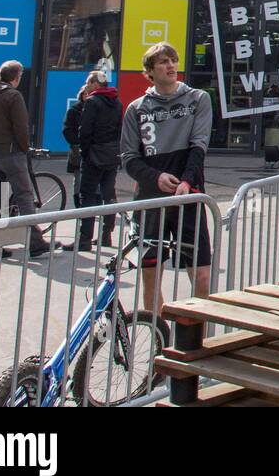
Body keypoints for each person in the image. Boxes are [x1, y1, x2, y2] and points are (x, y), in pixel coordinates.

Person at [119, 43, 214, 313]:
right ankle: (156, 343)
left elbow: (199, 145)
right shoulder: (136, 108)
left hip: (189, 197)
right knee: (151, 279)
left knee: (202, 277)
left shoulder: (198, 99)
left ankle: (195, 342)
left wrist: (186, 181)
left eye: (173, 60)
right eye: (163, 62)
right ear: (149, 71)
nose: (171, 66)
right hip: (150, 202)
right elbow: (128, 157)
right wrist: (155, 177)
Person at [0, 61, 49, 260]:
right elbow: (21, 127)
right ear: (16, 77)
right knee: (24, 197)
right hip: (12, 154)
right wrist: (24, 148)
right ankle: (36, 243)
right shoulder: (13, 96)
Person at [76, 70, 121, 251]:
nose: (86, 86)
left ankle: (85, 239)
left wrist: (85, 152)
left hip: (94, 155)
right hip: (112, 155)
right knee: (108, 195)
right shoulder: (117, 102)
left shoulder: (92, 102)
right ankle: (106, 236)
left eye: (88, 82)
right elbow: (120, 129)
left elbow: (85, 130)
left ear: (95, 84)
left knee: (87, 195)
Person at [62, 85, 87, 208]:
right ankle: (78, 206)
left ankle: (90, 205)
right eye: (85, 94)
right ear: (81, 95)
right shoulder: (74, 111)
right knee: (78, 179)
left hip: (93, 150)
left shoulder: (97, 108)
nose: (87, 96)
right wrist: (76, 143)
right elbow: (67, 130)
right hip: (78, 151)